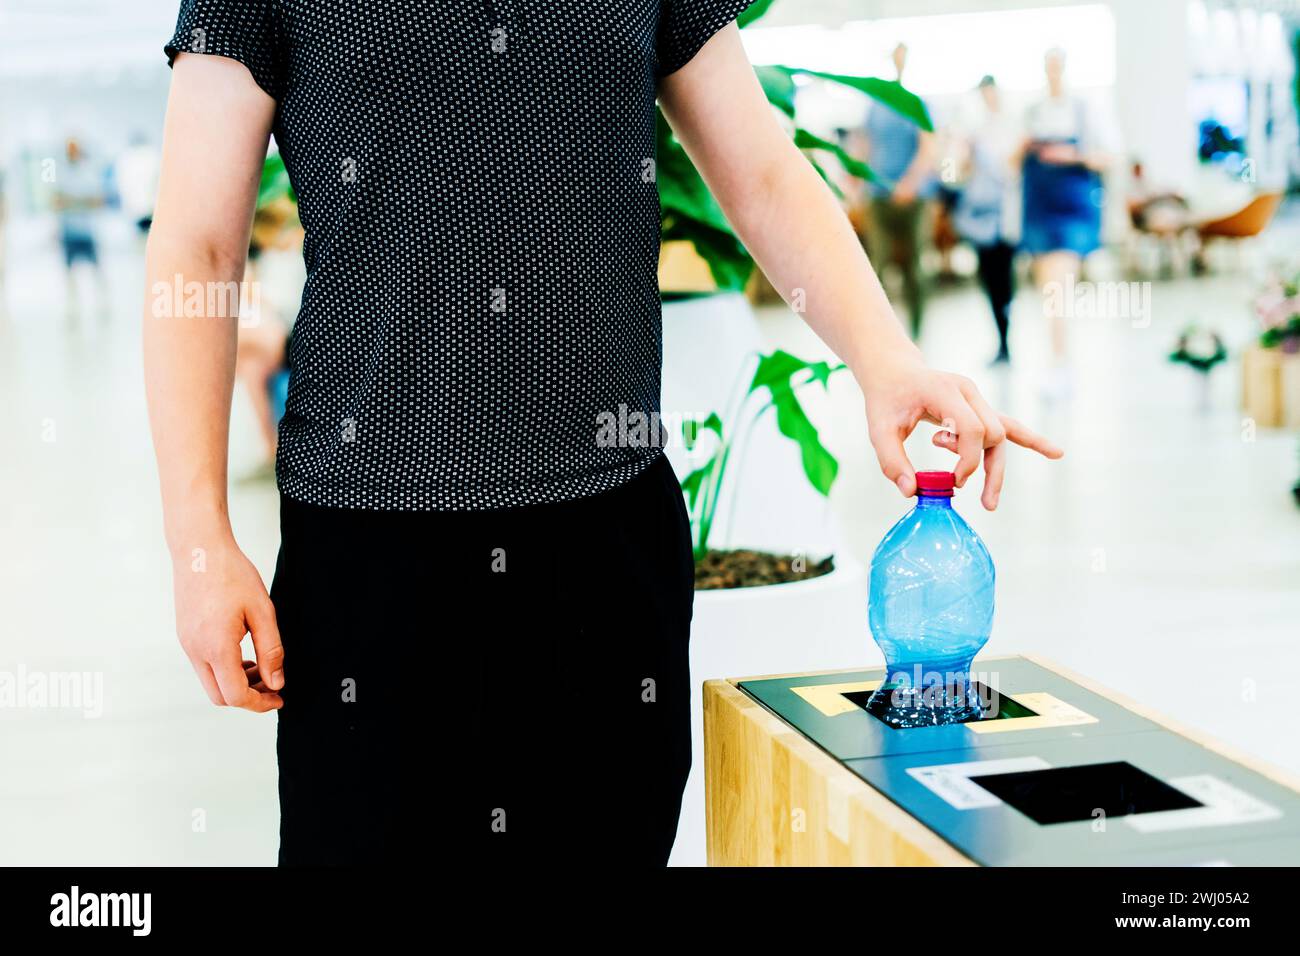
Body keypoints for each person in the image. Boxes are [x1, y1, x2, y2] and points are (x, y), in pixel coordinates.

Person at [143, 0, 1062, 867]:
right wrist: (198, 543)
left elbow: (765, 174)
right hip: (370, 551)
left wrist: (887, 361)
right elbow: (197, 244)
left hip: (604, 548)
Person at [1020, 48, 1110, 397]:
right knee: (1049, 289)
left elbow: (1108, 156)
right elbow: (1010, 163)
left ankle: (1060, 362)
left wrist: (1072, 156)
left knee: (1058, 286)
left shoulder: (1085, 111)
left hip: (1073, 211)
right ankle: (1059, 360)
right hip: (1039, 209)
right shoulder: (1031, 114)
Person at [862, 43, 935, 340]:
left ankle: (917, 333)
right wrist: (856, 183)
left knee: (915, 268)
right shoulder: (875, 104)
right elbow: (865, 145)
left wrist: (910, 184)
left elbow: (928, 148)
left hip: (913, 198)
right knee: (878, 266)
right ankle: (884, 334)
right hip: (878, 195)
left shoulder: (916, 103)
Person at [954, 76, 1022, 365]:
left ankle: (1007, 339)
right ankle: (1001, 341)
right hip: (981, 222)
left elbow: (1013, 171)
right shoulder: (974, 132)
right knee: (990, 281)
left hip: (1006, 219)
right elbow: (960, 174)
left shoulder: (1014, 128)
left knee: (1005, 280)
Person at [53, 138, 108, 320]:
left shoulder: (89, 172)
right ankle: (72, 308)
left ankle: (102, 305)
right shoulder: (60, 174)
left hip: (87, 230)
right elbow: (56, 201)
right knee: (69, 272)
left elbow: (97, 200)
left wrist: (72, 201)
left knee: (96, 269)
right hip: (68, 230)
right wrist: (80, 201)